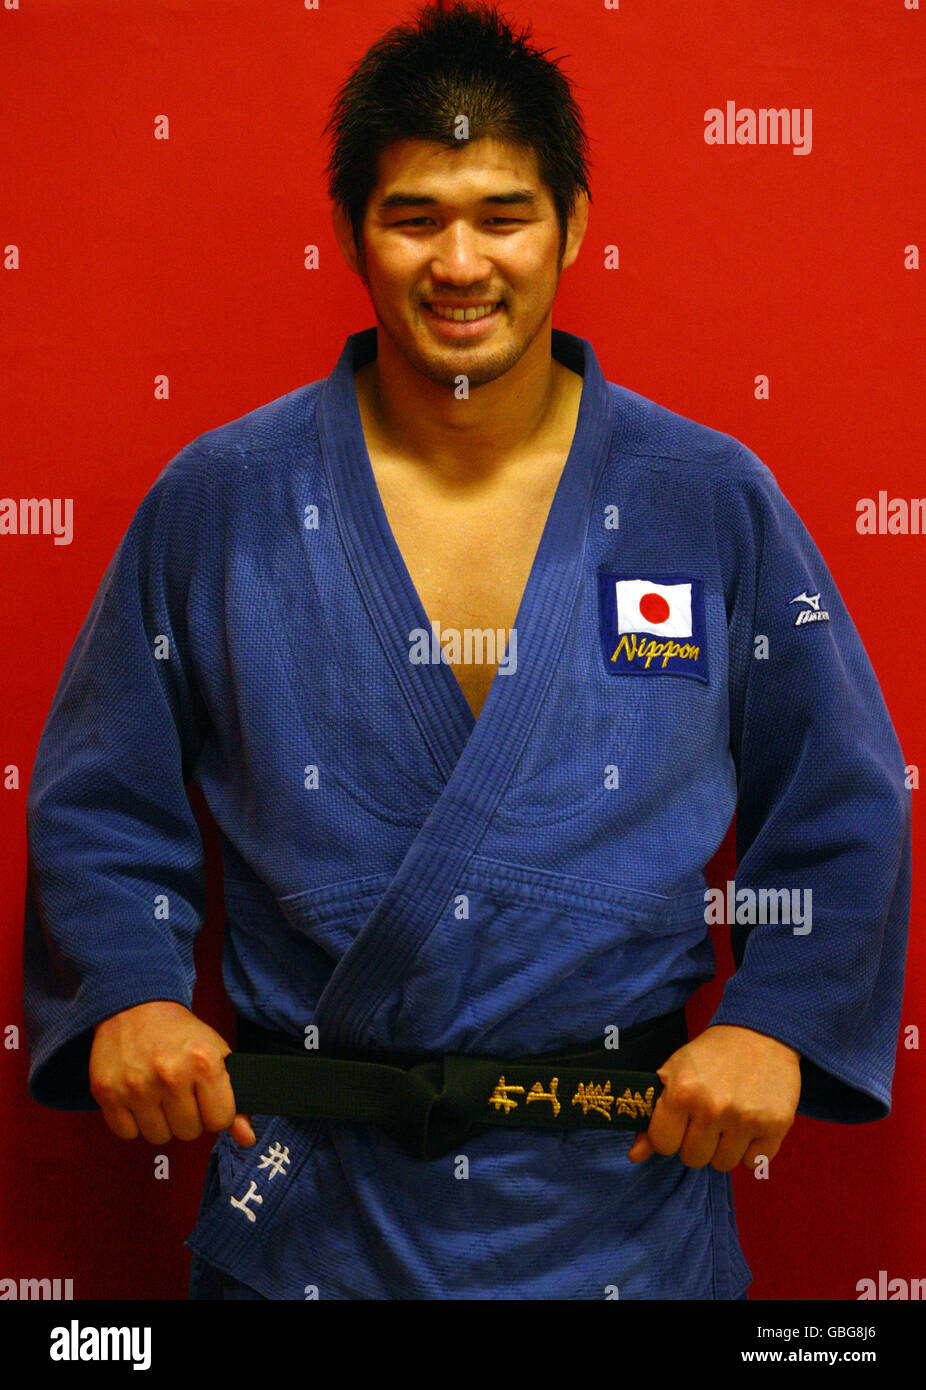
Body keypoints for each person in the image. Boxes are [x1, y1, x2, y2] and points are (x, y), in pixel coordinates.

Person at [23, 0, 910, 1301]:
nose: (460, 261)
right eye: (414, 216)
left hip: (620, 1207)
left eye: (502, 214)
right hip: (309, 1212)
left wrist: (779, 1016)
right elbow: (102, 797)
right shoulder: (224, 498)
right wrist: (129, 991)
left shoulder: (701, 496)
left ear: (573, 225)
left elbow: (838, 798)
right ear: (348, 236)